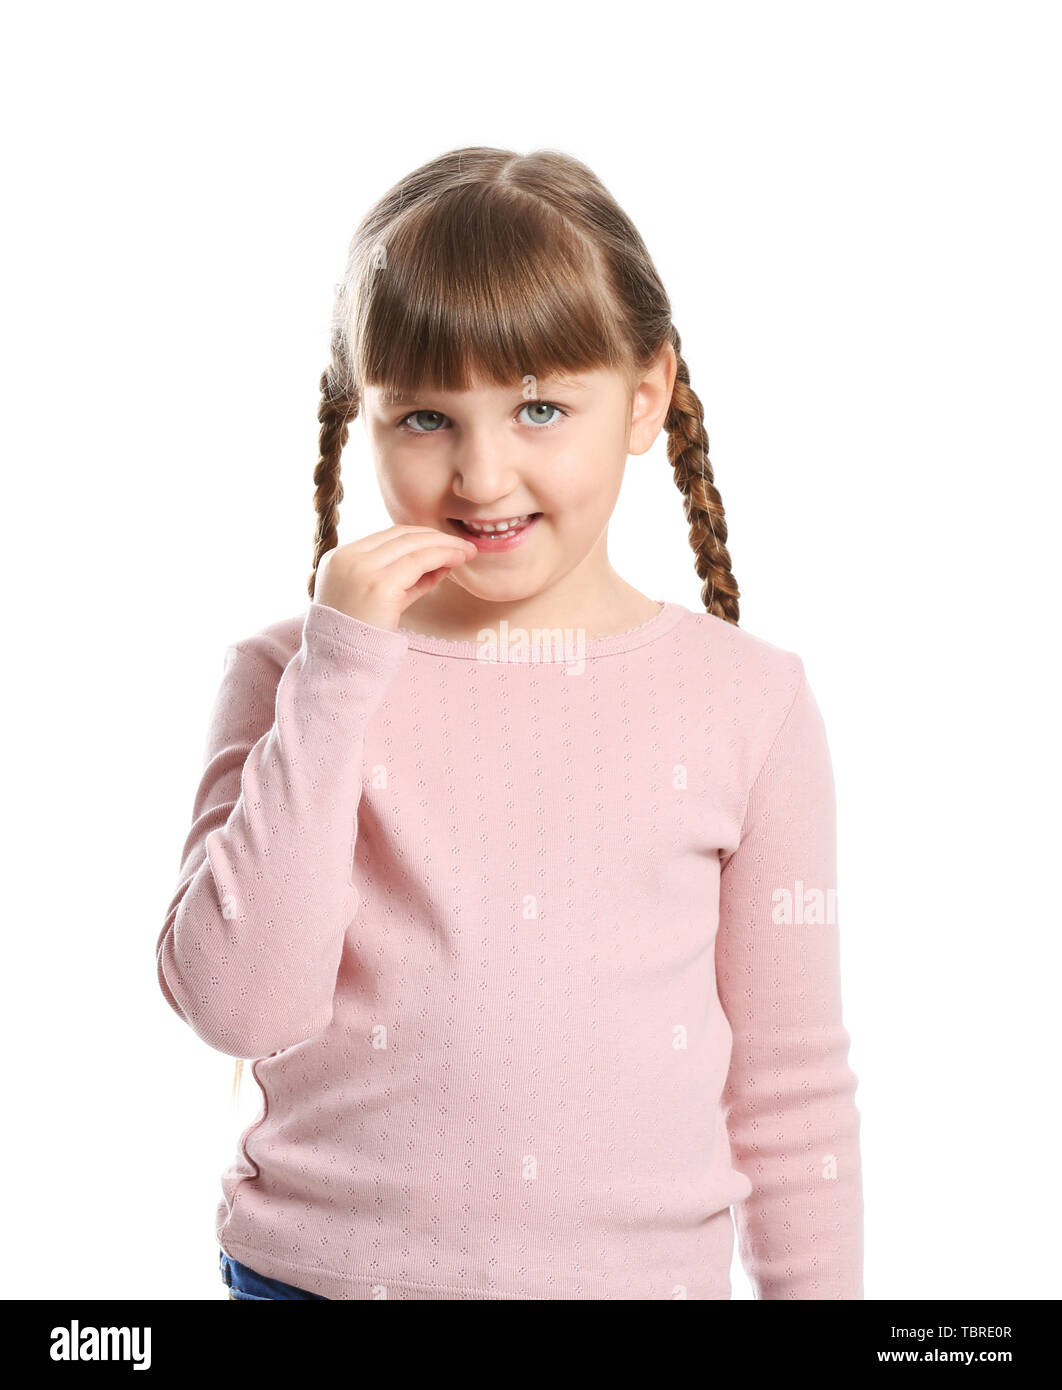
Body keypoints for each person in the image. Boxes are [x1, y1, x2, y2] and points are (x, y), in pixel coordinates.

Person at [156, 145, 864, 1301]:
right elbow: (240, 1004)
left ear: (645, 397)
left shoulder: (753, 703)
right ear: (363, 420)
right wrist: (338, 676)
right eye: (427, 417)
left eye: (540, 406)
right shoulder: (291, 673)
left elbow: (790, 1092)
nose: (483, 475)